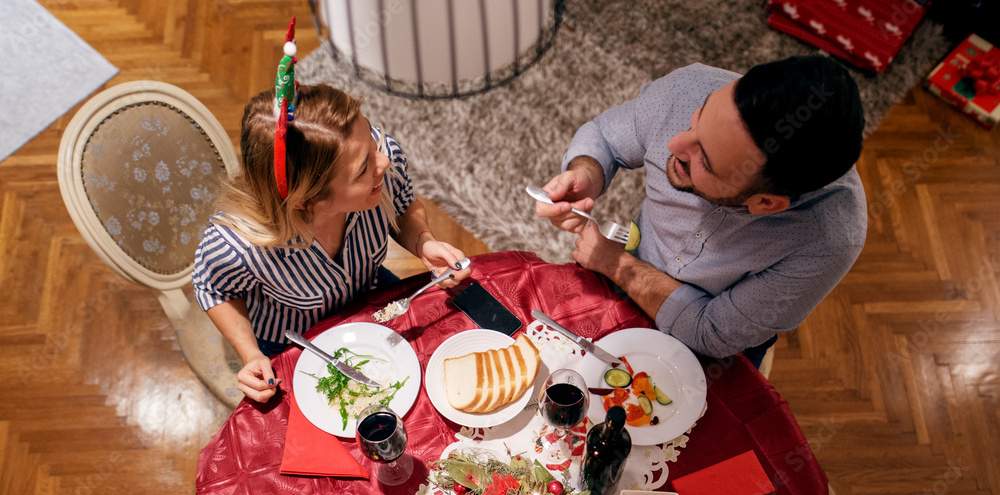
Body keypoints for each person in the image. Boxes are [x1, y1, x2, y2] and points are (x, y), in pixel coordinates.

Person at [536, 56, 867, 365]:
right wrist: (587, 172)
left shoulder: (829, 241)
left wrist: (617, 264)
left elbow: (712, 333)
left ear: (766, 203)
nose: (674, 144)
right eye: (698, 117)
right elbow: (606, 138)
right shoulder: (689, 88)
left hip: (710, 351)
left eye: (705, 161)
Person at [193, 80, 470, 404]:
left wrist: (423, 241)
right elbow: (214, 290)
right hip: (296, 340)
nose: (383, 161)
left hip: (370, 297)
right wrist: (251, 353)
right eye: (363, 169)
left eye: (371, 140)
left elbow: (403, 204)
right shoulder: (237, 244)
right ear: (308, 201)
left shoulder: (382, 157)